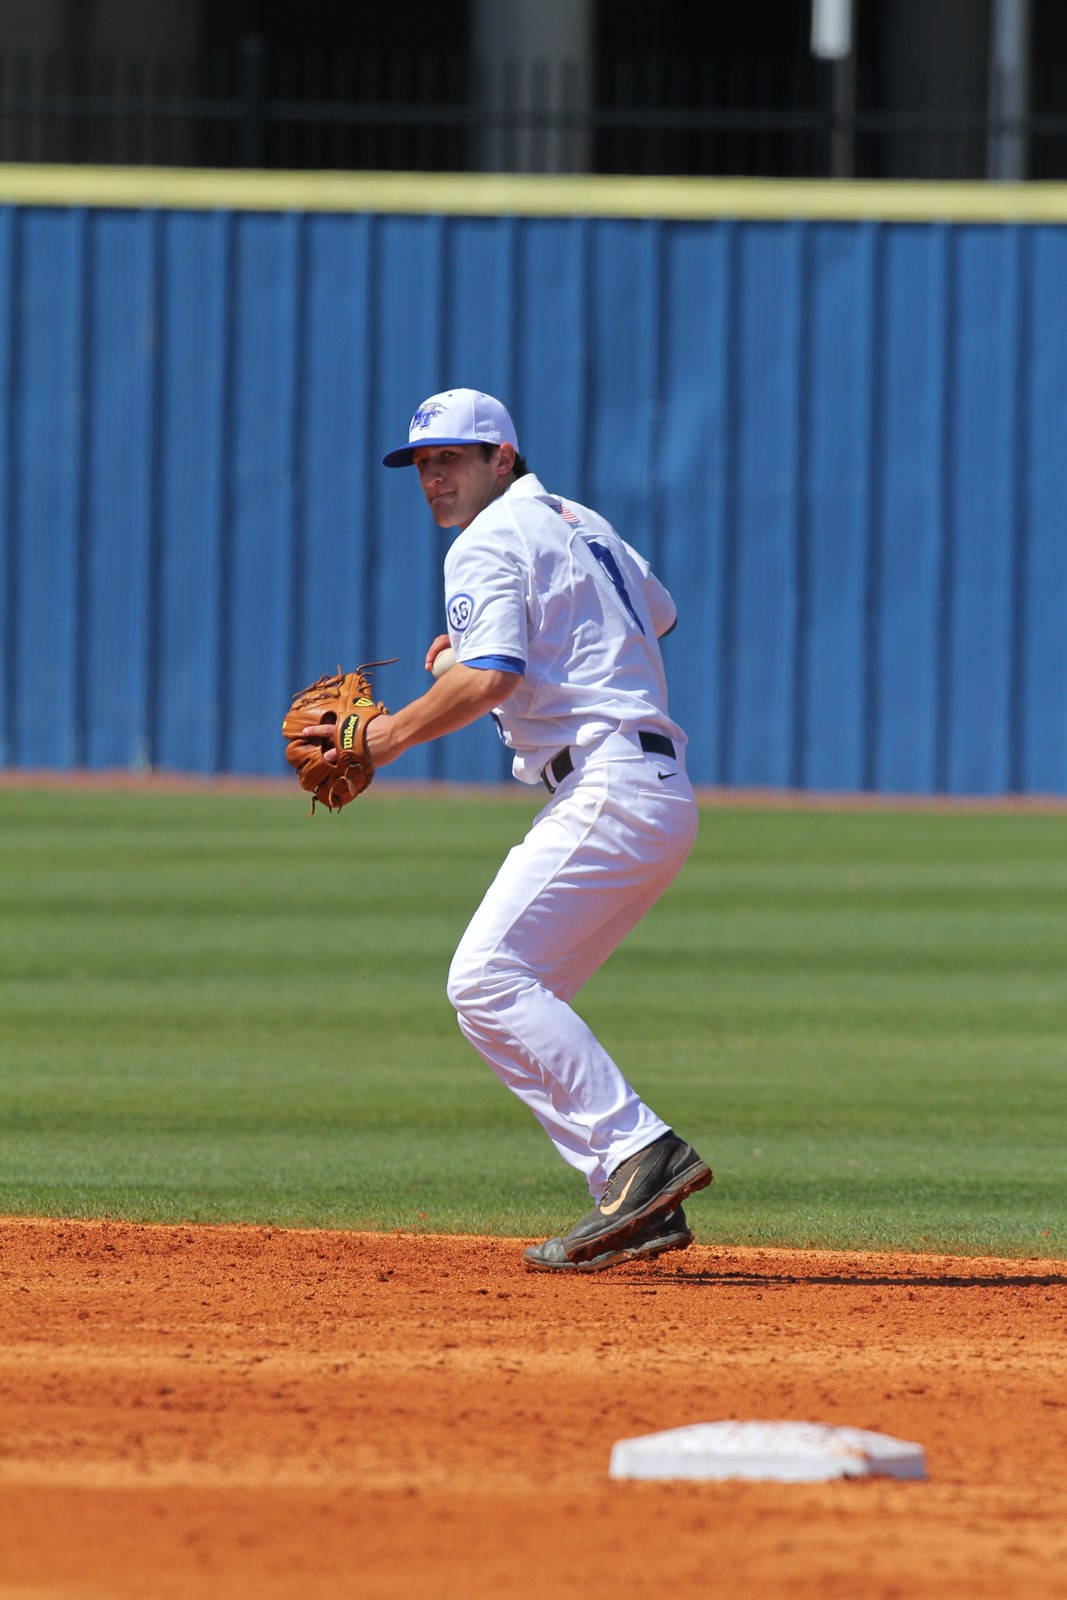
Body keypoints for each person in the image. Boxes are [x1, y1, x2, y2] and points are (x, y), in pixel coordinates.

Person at [369, 388, 711, 1271]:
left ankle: (644, 1154)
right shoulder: (577, 519)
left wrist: (386, 737)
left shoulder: (485, 540)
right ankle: (634, 1195)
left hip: (607, 781)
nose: (434, 477)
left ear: (502, 460)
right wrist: (519, 643)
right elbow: (658, 610)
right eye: (422, 463)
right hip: (648, 788)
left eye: (453, 458)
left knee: (486, 980)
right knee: (510, 997)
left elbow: (485, 681)